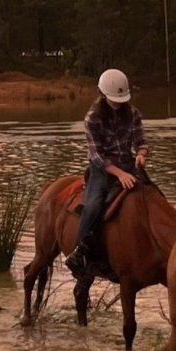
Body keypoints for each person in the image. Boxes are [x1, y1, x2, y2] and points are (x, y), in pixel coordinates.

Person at [65, 69, 148, 272]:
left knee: (154, 194)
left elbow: (141, 141)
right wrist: (120, 174)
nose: (119, 103)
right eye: (115, 99)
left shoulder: (134, 113)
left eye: (121, 99)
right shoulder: (92, 118)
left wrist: (141, 154)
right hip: (102, 169)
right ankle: (80, 252)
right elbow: (97, 156)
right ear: (102, 95)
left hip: (129, 164)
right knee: (94, 205)